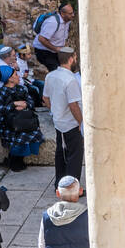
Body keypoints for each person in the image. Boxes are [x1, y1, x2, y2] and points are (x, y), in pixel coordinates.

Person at [43, 45, 83, 184]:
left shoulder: (50, 75)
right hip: (71, 123)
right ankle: (71, 187)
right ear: (71, 59)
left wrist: (55, 111)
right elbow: (73, 105)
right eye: (76, 58)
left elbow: (45, 98)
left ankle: (59, 183)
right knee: (74, 156)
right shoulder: (71, 80)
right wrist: (81, 122)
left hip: (58, 121)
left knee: (60, 153)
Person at [0, 65, 43, 171]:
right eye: (15, 74)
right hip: (8, 124)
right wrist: (14, 104)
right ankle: (15, 159)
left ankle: (18, 158)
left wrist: (25, 105)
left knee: (35, 132)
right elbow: (0, 110)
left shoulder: (21, 89)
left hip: (23, 120)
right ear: (10, 79)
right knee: (20, 134)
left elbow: (31, 102)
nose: (18, 76)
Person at [34, 1, 75, 71]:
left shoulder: (67, 21)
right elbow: (41, 39)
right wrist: (56, 48)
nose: (73, 15)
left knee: (68, 67)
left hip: (55, 51)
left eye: (73, 12)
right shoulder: (52, 22)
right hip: (44, 51)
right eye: (70, 13)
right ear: (62, 13)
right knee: (56, 71)